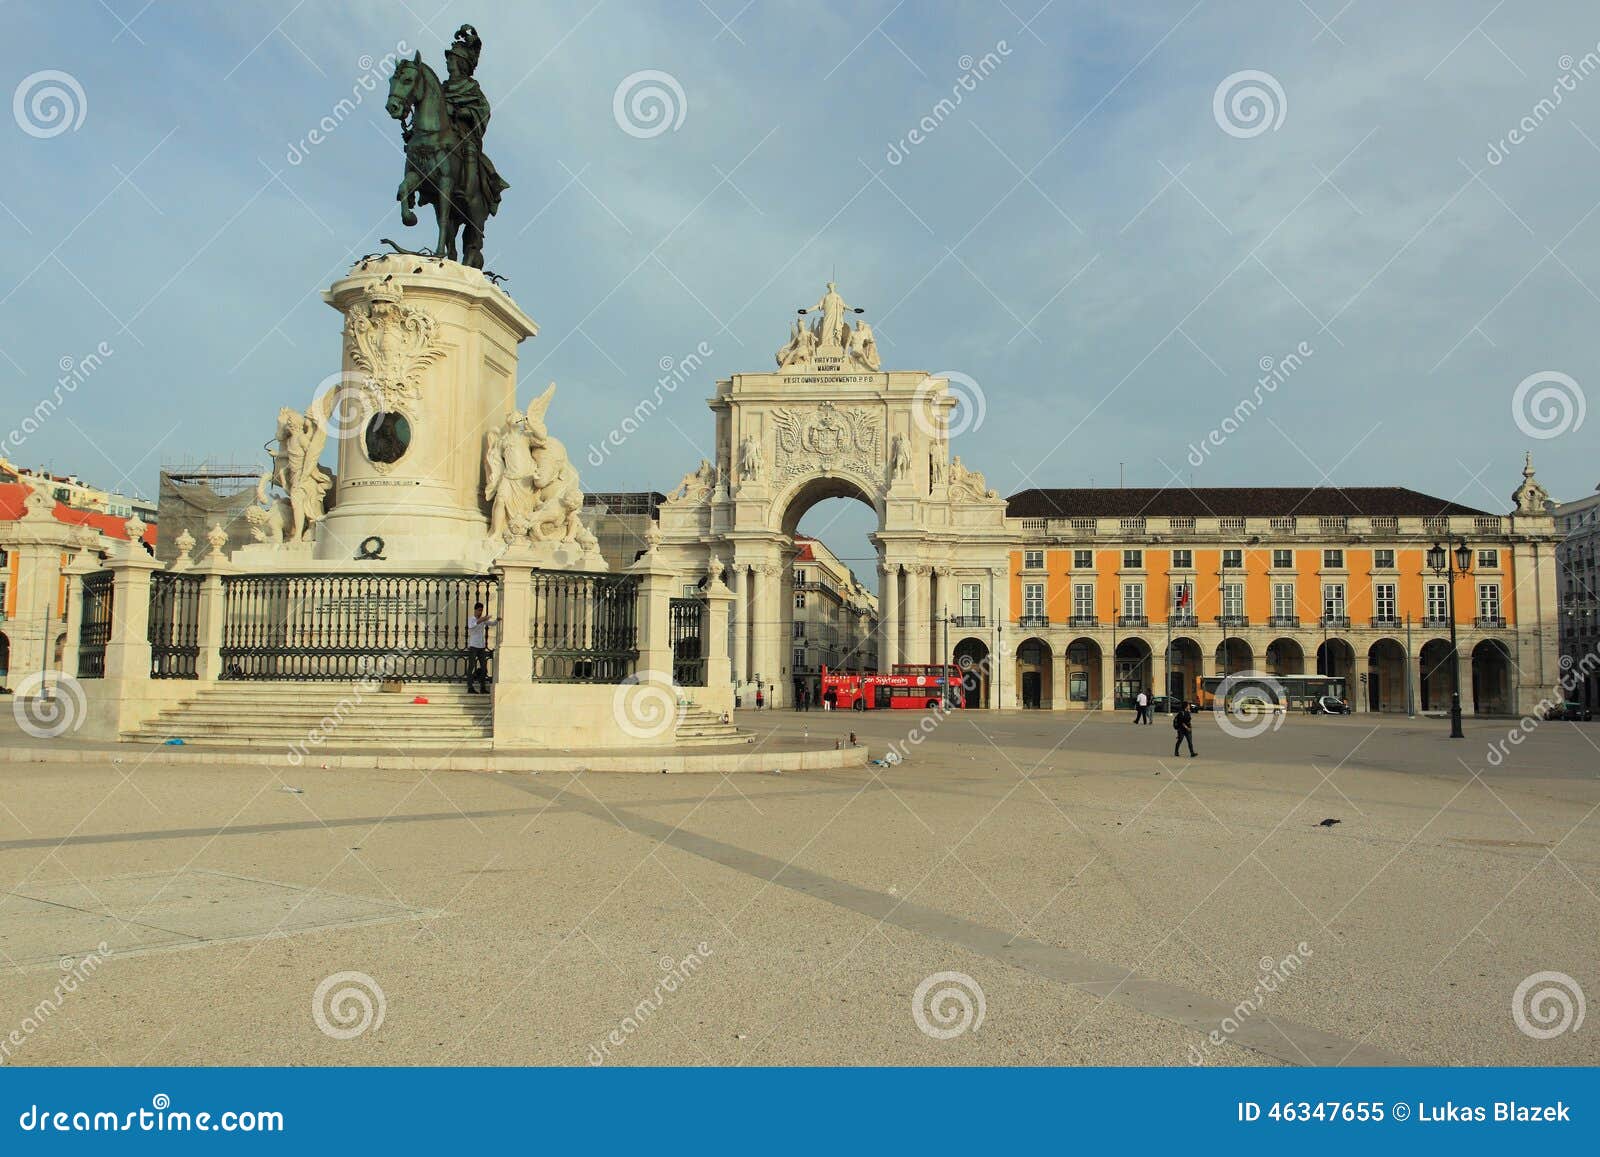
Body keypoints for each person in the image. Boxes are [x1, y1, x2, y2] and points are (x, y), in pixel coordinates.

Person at [466, 601, 497, 693]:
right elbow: (472, 625)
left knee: (484, 667)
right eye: (479, 610)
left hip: (481, 646)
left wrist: (496, 620)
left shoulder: (482, 620)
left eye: (481, 610)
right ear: (475, 610)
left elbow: (491, 624)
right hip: (473, 646)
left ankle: (482, 687)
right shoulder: (471, 619)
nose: (480, 612)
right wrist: (483, 619)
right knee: (471, 667)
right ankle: (470, 687)